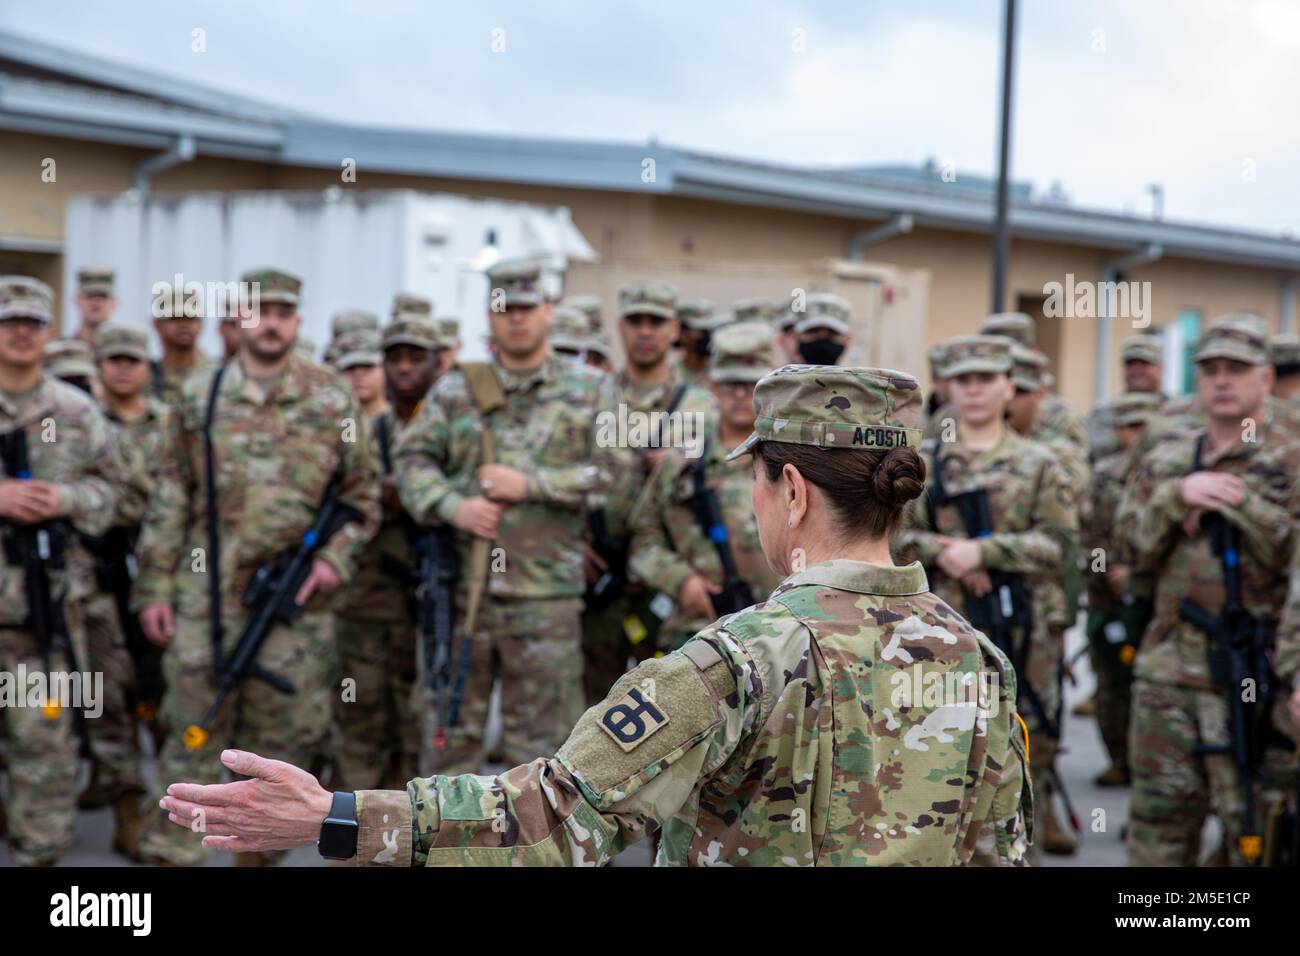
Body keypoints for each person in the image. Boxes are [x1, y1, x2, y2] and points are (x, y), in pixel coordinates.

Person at [158, 365, 1032, 868]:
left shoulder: (735, 663)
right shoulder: (981, 660)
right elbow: (1004, 854)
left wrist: (337, 815)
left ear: (792, 491)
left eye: (756, 482)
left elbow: (551, 818)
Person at [132, 267, 380, 867]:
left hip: (296, 602)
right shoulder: (201, 395)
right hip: (206, 593)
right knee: (192, 723)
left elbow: (363, 495)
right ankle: (175, 850)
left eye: (282, 311)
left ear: (298, 321)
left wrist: (331, 561)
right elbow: (172, 494)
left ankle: (258, 855)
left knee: (283, 738)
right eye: (258, 310)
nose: (270, 322)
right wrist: (155, 588)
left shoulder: (331, 397)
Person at [392, 259, 628, 776]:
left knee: (545, 757)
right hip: (462, 598)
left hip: (545, 600)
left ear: (547, 312)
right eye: (504, 309)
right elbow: (411, 462)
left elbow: (617, 473)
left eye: (526, 308)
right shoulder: (456, 390)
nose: (515, 319)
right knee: (449, 746)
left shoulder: (589, 389)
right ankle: (449, 855)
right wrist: (455, 507)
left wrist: (533, 485)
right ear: (489, 316)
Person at [1116, 314, 1300, 866]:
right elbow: (1126, 548)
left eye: (1237, 370)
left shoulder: (1289, 461)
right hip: (1168, 669)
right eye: (1212, 369)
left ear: (1265, 378)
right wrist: (1178, 497)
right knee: (1158, 823)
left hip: (1252, 671)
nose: (1222, 380)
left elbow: (1293, 556)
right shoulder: (1168, 457)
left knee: (1256, 826)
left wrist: (1242, 505)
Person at [896, 334, 1080, 859]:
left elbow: (1060, 546)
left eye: (986, 379)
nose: (974, 390)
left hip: (1023, 624)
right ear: (951, 387)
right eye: (964, 380)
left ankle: (1022, 843)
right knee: (935, 739)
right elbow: (889, 534)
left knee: (1028, 737)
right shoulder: (922, 460)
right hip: (938, 626)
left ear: (1008, 386)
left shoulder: (1041, 463)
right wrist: (948, 549)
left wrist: (987, 553)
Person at [0, 276, 122, 866]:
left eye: (32, 322)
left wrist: (65, 502)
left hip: (41, 612)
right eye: (9, 321)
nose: (20, 332)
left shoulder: (76, 411)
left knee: (42, 742)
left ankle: (37, 852)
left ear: (50, 332)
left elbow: (116, 492)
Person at [581, 281, 717, 705]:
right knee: (591, 706)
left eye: (655, 322)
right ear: (619, 327)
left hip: (667, 582)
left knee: (668, 706)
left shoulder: (702, 407)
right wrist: (572, 544)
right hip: (600, 578)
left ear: (674, 329)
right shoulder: (588, 400)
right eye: (635, 321)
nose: (645, 332)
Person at [75, 324, 173, 859]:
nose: (123, 368)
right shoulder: (80, 423)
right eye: (113, 359)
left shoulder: (170, 423)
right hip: (97, 575)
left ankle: (173, 807)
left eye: (133, 360)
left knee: (163, 698)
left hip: (159, 573)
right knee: (109, 698)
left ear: (146, 366)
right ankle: (125, 809)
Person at [330, 318, 440, 792]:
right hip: (368, 602)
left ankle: (408, 830)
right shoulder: (364, 433)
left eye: (415, 358)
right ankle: (354, 834)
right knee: (359, 718)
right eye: (393, 358)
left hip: (430, 605)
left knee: (419, 724)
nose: (402, 368)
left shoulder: (450, 427)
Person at [628, 320, 784, 652]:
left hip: (780, 637)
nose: (740, 395)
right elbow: (643, 538)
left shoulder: (796, 465)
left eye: (750, 383)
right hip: (697, 635)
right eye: (730, 384)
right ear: (713, 385)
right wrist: (680, 581)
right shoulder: (681, 463)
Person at [1080, 391, 1161, 787]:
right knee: (1111, 685)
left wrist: (1137, 573)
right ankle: (1117, 758)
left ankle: (1146, 770)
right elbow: (1090, 535)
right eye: (1129, 427)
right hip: (1108, 597)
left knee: (1150, 689)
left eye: (1143, 425)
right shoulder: (1106, 476)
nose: (1136, 435)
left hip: (1154, 600)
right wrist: (1106, 570)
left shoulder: (1170, 475)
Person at [1087, 334, 1165, 463]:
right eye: (1130, 364)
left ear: (1160, 368)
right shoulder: (1103, 412)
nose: (1136, 370)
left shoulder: (1176, 411)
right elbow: (1089, 453)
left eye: (1144, 363)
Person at [150, 288, 214, 406]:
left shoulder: (218, 376)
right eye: (175, 318)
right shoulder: (145, 376)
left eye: (191, 318)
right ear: (157, 325)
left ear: (201, 324)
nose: (184, 324)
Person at [792, 293, 853, 366]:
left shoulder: (867, 376)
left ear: (847, 339)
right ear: (796, 336)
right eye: (813, 330)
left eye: (832, 332)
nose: (822, 337)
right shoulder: (777, 376)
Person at [69, 267, 117, 346]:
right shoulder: (61, 351)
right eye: (90, 295)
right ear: (76, 300)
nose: (96, 301)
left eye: (103, 296)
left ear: (114, 302)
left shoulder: (124, 353)